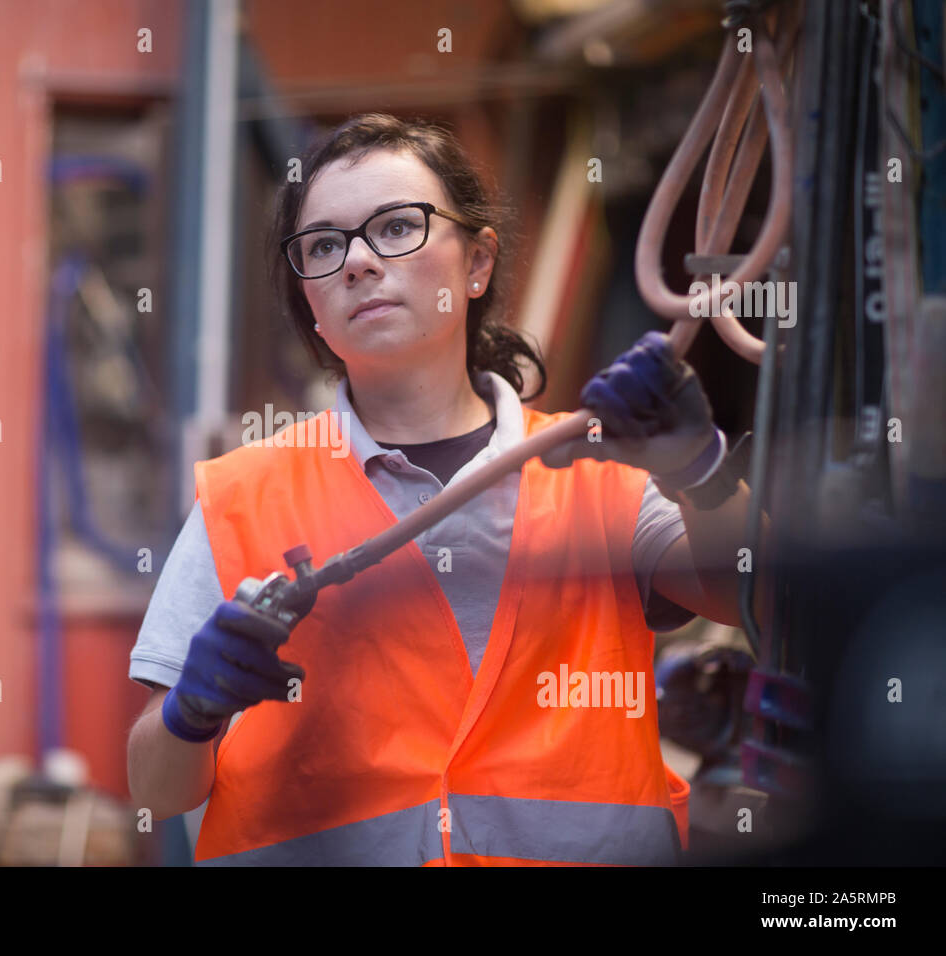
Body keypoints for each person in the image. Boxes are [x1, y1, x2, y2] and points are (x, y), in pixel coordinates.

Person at [126, 113, 755, 866]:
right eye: (324, 246)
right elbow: (156, 788)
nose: (357, 262)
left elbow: (759, 598)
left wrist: (702, 469)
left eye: (396, 227)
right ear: (311, 307)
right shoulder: (242, 498)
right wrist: (193, 713)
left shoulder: (596, 471)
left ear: (478, 263)